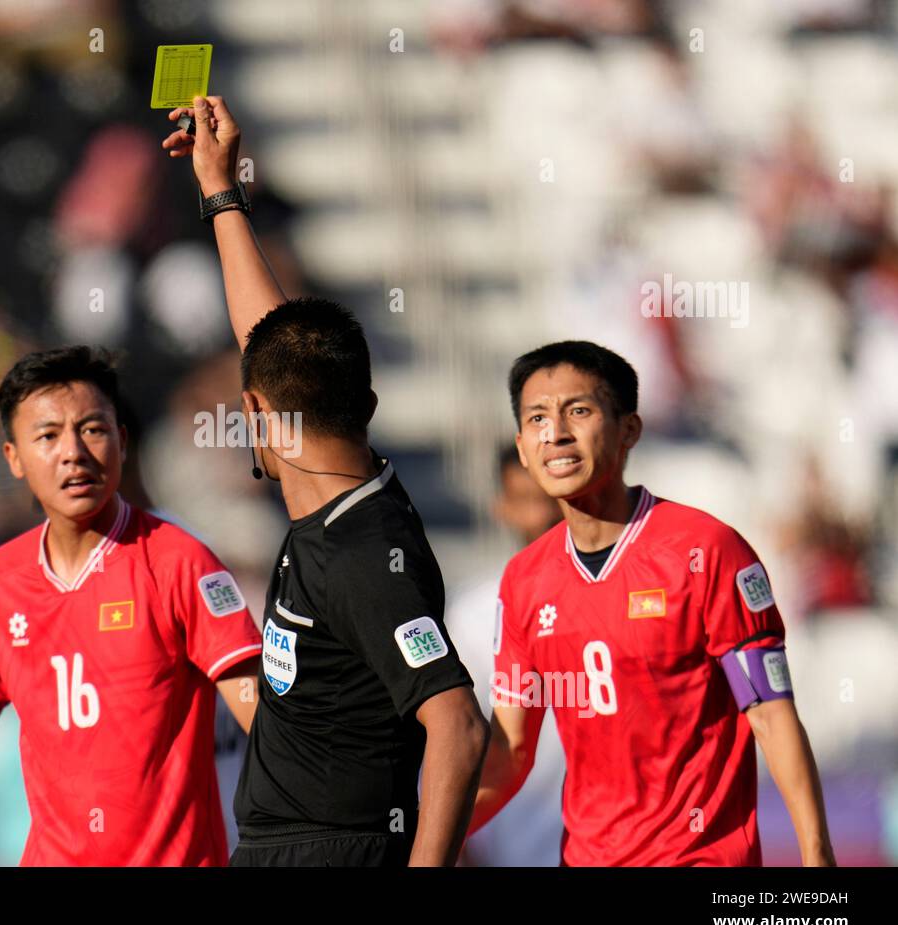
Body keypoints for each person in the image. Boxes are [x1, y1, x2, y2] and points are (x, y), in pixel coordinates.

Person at [162, 96, 489, 867]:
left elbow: (459, 724)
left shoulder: (365, 557)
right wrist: (220, 194)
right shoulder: (335, 495)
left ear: (254, 414)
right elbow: (269, 345)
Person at [0, 347, 262, 866]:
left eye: (92, 429)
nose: (73, 452)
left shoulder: (180, 561)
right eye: (47, 436)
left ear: (122, 441)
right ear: (13, 458)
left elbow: (267, 721)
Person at [469, 340, 835, 866]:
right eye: (537, 418)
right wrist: (421, 846)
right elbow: (512, 751)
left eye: (579, 410)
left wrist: (817, 856)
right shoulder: (523, 581)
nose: (557, 433)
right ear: (523, 448)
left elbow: (771, 716)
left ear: (629, 430)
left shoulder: (707, 552)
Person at [446, 445, 565, 865]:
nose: (545, 516)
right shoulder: (474, 614)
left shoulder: (619, 597)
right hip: (512, 852)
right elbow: (456, 740)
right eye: (529, 501)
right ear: (502, 507)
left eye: (554, 500)